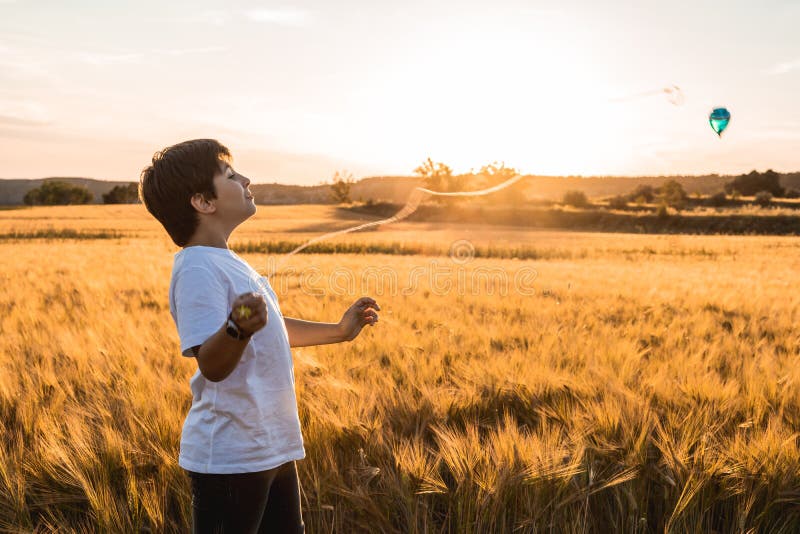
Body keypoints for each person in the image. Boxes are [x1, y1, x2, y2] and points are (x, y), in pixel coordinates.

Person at [138, 139, 380, 533]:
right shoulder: (198, 268)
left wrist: (338, 331)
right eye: (231, 175)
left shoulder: (228, 261)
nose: (246, 179)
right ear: (203, 201)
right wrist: (236, 326)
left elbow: (268, 328)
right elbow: (212, 363)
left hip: (272, 445)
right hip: (232, 456)